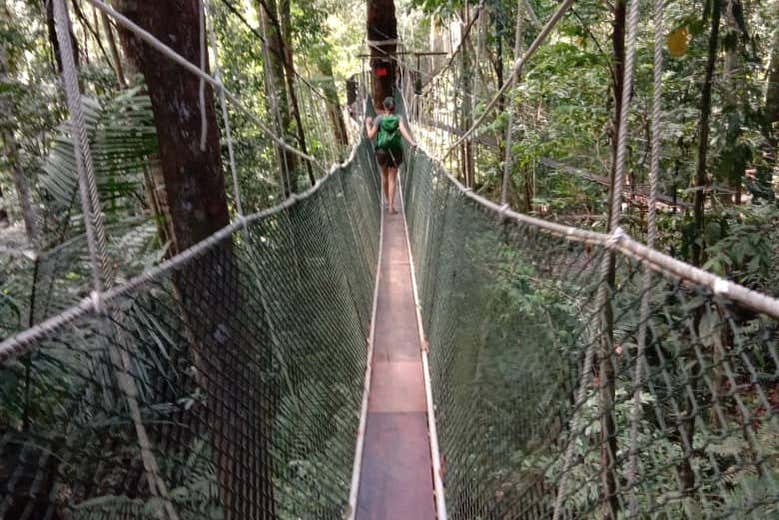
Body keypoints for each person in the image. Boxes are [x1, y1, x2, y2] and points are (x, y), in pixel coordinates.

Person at [365, 97, 417, 214]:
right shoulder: (399, 118)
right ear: (394, 108)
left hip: (382, 152)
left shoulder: (379, 119)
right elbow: (403, 130)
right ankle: (391, 207)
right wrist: (412, 142)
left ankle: (388, 202)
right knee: (392, 179)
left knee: (384, 177)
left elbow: (370, 136)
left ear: (384, 107)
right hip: (395, 151)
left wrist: (367, 124)